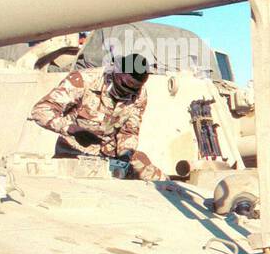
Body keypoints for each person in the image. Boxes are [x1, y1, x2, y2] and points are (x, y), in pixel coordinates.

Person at [28, 54, 167, 181]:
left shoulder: (139, 94)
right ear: (116, 72)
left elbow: (129, 131)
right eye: (125, 85)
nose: (129, 92)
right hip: (75, 152)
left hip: (112, 155)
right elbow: (41, 110)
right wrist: (71, 129)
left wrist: (124, 156)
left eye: (134, 89)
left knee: (159, 181)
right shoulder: (83, 80)